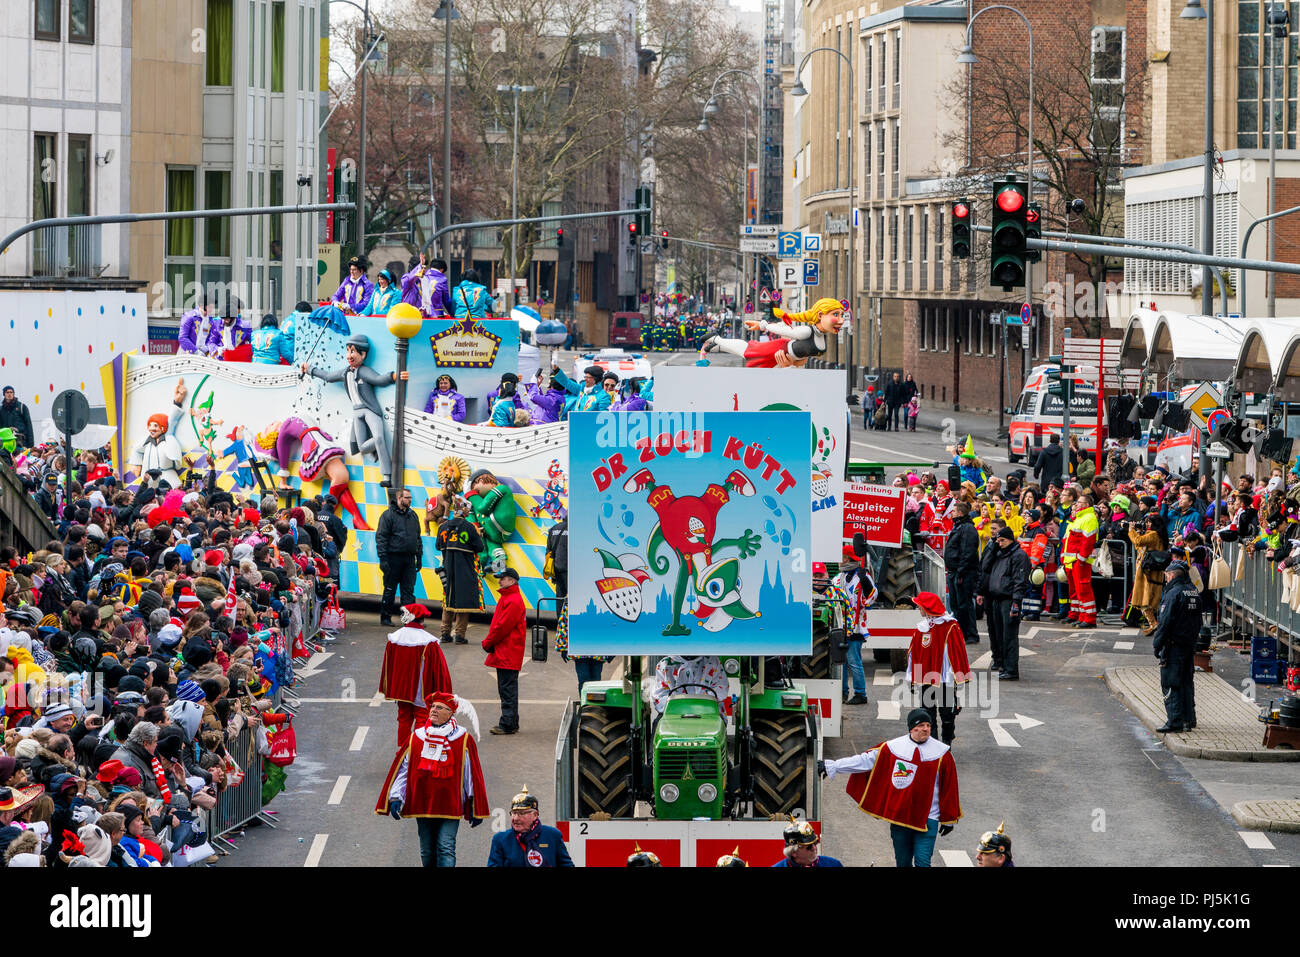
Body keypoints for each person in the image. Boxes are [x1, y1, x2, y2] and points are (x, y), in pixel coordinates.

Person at [820, 708, 961, 867]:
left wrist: (949, 820)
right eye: (921, 725)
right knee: (902, 862)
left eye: (928, 725)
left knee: (923, 862)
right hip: (900, 818)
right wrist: (831, 766)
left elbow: (949, 788)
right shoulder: (892, 748)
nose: (926, 729)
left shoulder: (942, 753)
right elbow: (863, 761)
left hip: (928, 819)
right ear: (912, 728)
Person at [378, 691, 488, 867]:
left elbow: (470, 774)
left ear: (451, 712)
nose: (433, 710)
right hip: (423, 803)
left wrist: (474, 802)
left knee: (446, 847)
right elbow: (404, 770)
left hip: (450, 804)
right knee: (427, 851)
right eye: (432, 707)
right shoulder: (417, 737)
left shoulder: (463, 739)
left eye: (440, 707)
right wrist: (396, 797)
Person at [303, 332, 409, 487]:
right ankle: (377, 451)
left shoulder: (364, 371)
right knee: (362, 447)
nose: (349, 355)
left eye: (352, 351)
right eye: (348, 351)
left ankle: (386, 475)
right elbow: (327, 376)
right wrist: (309, 369)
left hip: (370, 410)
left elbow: (379, 379)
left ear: (363, 354)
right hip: (357, 413)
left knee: (379, 438)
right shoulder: (345, 372)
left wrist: (394, 376)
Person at [378, 603, 454, 748]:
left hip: (401, 689)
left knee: (403, 718)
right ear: (422, 619)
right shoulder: (429, 641)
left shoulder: (395, 638)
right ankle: (417, 752)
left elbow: (388, 666)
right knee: (422, 717)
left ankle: (402, 751)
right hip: (422, 689)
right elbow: (439, 670)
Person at [699, 298, 847, 368]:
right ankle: (716, 339)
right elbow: (784, 330)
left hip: (782, 358)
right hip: (779, 349)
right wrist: (763, 325)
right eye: (836, 315)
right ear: (820, 315)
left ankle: (717, 346)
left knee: (755, 361)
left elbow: (802, 358)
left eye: (842, 315)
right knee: (749, 350)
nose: (841, 320)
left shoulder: (820, 337)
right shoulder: (807, 331)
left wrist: (793, 364)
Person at [906, 592, 971, 744]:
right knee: (927, 715)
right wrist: (914, 678)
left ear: (927, 608)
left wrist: (955, 679)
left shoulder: (950, 626)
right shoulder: (921, 628)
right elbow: (914, 655)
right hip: (925, 680)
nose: (918, 609)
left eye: (919, 606)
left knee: (947, 715)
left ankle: (947, 743)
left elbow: (956, 653)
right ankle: (932, 746)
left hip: (944, 680)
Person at [1150, 560, 1200, 733]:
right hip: (1188, 645)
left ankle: (1174, 721)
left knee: (1171, 682)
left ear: (1171, 575)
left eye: (1166, 576)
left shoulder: (1173, 594)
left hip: (1174, 645)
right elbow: (1198, 621)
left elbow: (1165, 623)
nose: (1165, 579)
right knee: (1186, 682)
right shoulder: (1193, 591)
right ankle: (1189, 719)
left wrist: (1157, 644)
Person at [979, 526, 1031, 680]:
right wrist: (994, 548)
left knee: (1009, 636)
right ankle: (1003, 665)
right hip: (996, 598)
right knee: (999, 634)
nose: (999, 543)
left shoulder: (1018, 556)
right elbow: (985, 567)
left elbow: (1019, 581)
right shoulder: (1000, 553)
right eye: (998, 540)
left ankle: (1011, 669)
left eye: (1002, 540)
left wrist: (1016, 602)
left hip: (1008, 600)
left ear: (1010, 540)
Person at [481, 567, 525, 735]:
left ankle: (507, 724)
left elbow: (501, 627)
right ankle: (511, 722)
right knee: (508, 688)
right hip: (508, 651)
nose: (499, 580)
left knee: (507, 689)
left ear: (512, 581)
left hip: (508, 651)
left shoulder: (512, 600)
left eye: (503, 578)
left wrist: (488, 642)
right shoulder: (510, 598)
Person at [828, 547, 874, 705]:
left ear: (848, 559)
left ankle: (860, 693)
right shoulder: (838, 578)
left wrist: (866, 584)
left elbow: (872, 596)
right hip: (840, 626)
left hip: (855, 627)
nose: (840, 560)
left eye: (842, 557)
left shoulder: (863, 576)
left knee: (854, 661)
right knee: (841, 662)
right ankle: (842, 692)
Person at [434, 501, 484, 644]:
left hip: (448, 569)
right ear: (464, 511)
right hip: (465, 570)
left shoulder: (442, 527)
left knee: (448, 599)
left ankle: (444, 634)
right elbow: (479, 547)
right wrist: (478, 534)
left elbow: (438, 546)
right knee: (464, 602)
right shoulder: (470, 528)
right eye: (468, 509)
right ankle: (459, 636)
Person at [487, 786, 574, 867]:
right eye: (514, 813)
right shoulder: (501, 839)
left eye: (522, 813)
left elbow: (567, 865)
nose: (516, 818)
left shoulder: (553, 835)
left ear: (535, 815)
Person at [376, 488, 423, 627]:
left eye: (410, 498)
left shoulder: (413, 515)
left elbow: (417, 538)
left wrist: (419, 557)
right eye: (407, 498)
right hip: (393, 558)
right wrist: (383, 559)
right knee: (390, 589)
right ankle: (385, 617)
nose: (410, 500)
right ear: (399, 498)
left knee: (408, 590)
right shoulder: (388, 515)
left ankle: (408, 619)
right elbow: (381, 538)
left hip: (409, 559)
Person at [943, 501, 980, 645]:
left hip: (963, 573)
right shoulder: (959, 526)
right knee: (956, 605)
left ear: (960, 513)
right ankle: (961, 633)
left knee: (964, 604)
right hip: (955, 572)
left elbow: (968, 552)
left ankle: (970, 634)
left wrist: (960, 572)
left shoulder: (967, 528)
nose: (951, 512)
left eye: (953, 510)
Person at [1062, 493, 1100, 628]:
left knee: (1083, 589)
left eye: (1079, 502)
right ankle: (1078, 615)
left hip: (1080, 560)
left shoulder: (1089, 518)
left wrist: (1081, 558)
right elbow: (1067, 540)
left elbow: (1088, 541)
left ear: (1086, 505)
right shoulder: (1078, 518)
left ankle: (1089, 618)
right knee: (1075, 590)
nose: (1076, 504)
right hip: (1072, 560)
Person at [770, 819, 843, 867]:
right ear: (793, 852)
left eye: (815, 843)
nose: (814, 848)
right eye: (809, 846)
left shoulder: (833, 864)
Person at [401, 253, 452, 318]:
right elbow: (409, 279)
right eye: (422, 267)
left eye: (425, 268)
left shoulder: (424, 281)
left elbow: (428, 302)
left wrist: (434, 315)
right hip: (408, 315)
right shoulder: (406, 278)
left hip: (420, 317)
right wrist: (419, 267)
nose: (425, 270)